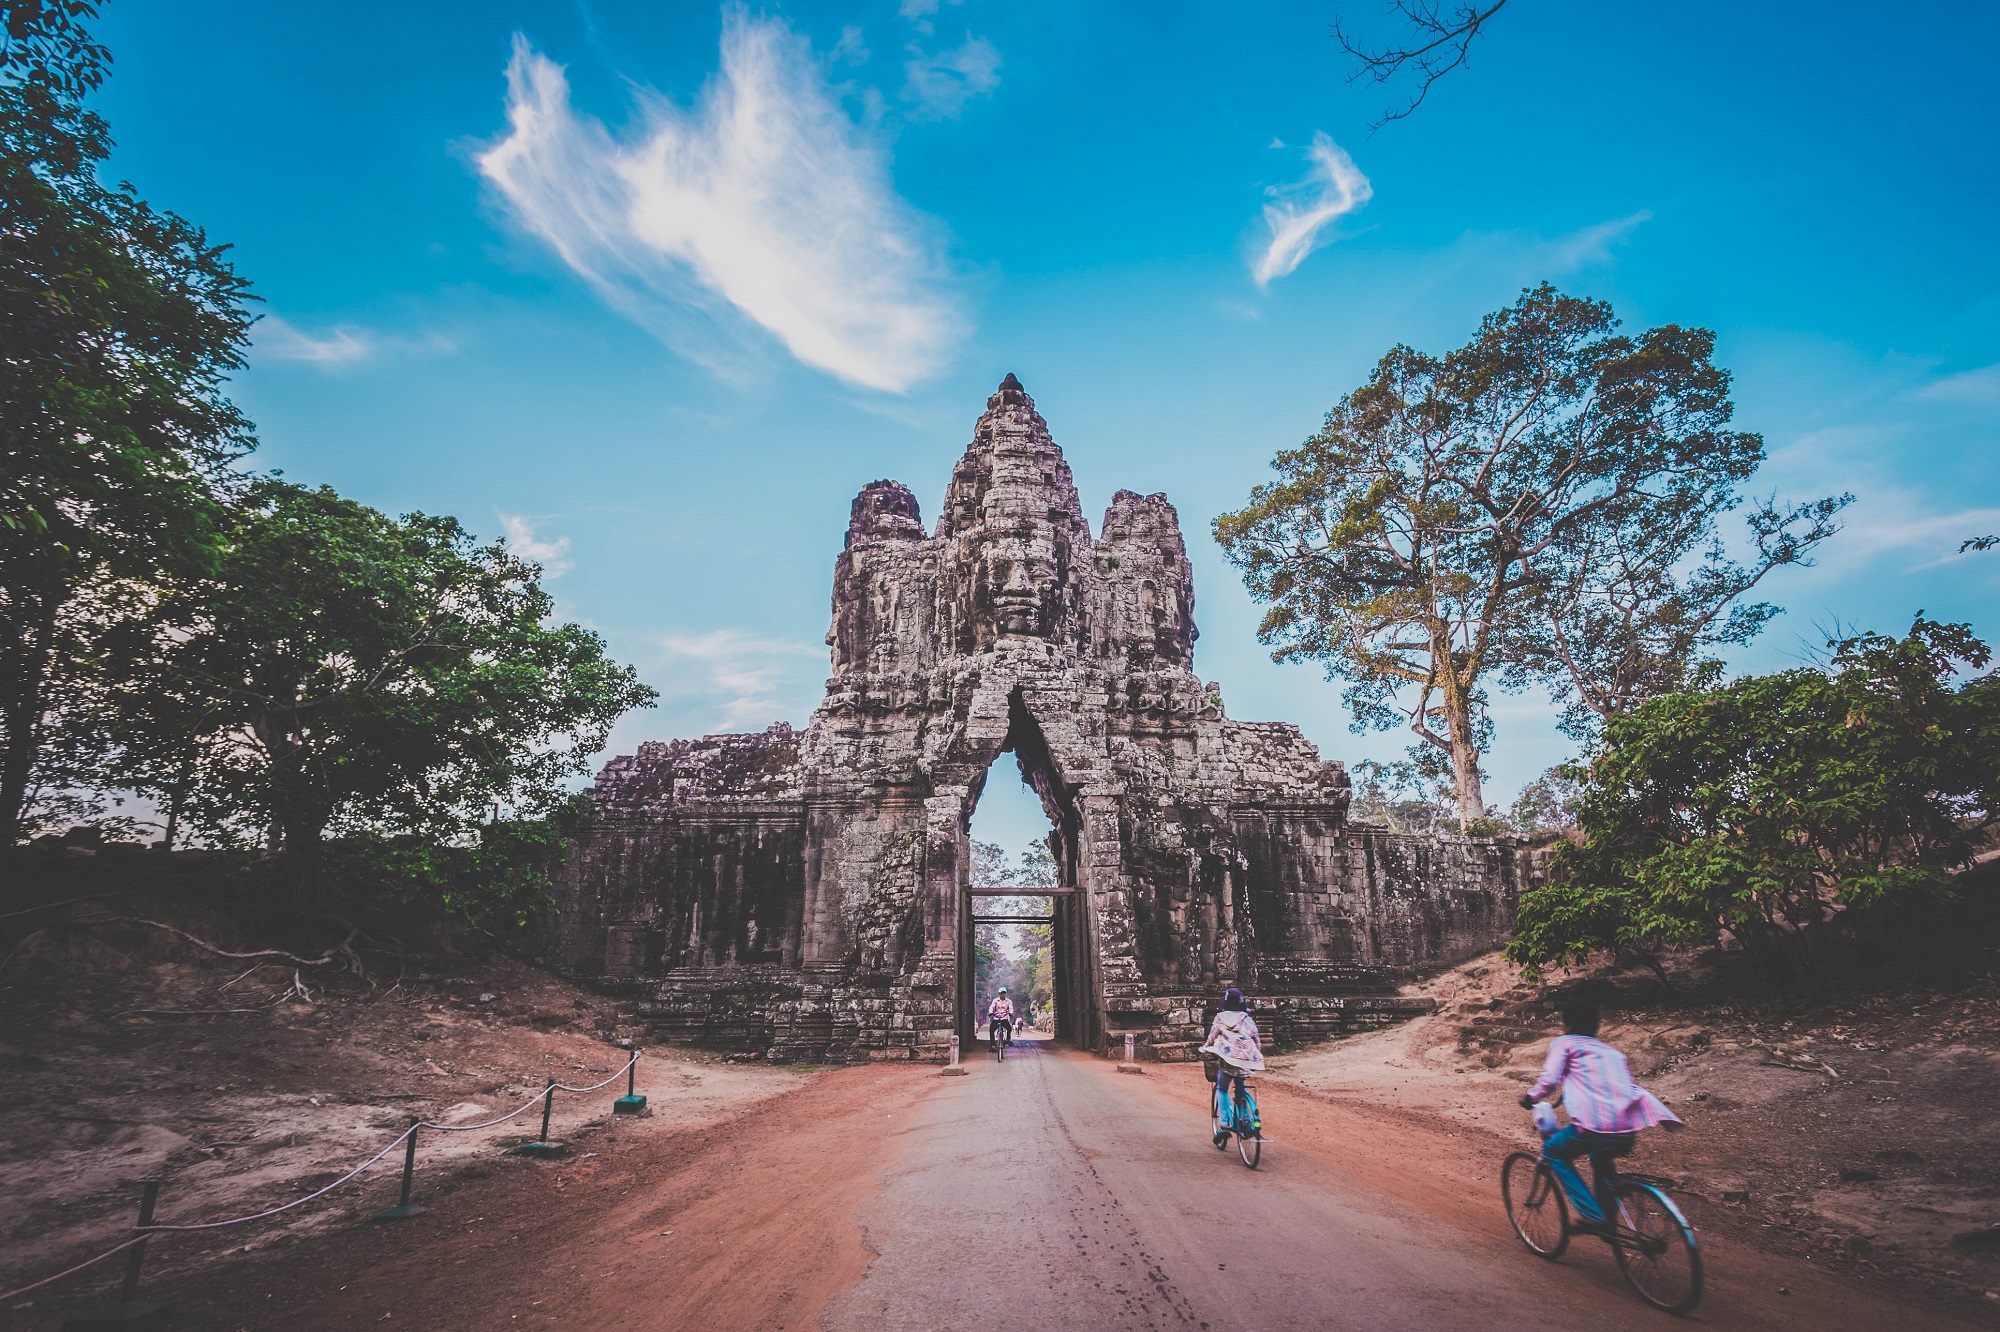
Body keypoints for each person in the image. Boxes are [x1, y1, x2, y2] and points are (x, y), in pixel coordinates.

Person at [1520, 998, 1682, 1232]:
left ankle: (1593, 1215)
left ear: (1567, 1025)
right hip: (1626, 1131)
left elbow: (1549, 1080)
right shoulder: (1613, 1053)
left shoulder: (1566, 1043)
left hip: (1592, 1128)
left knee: (1553, 1150)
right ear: (1596, 1027)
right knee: (1601, 1161)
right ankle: (1608, 1218)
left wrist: (1531, 1097)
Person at [1200, 987, 1264, 1145]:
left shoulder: (1220, 1018)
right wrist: (1256, 1053)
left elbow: (1212, 1036)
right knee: (1240, 1088)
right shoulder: (1246, 1018)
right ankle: (1248, 1121)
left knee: (1222, 1089)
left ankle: (1224, 1125)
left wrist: (1205, 1047)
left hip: (1228, 1060)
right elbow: (1256, 1037)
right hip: (1246, 1059)